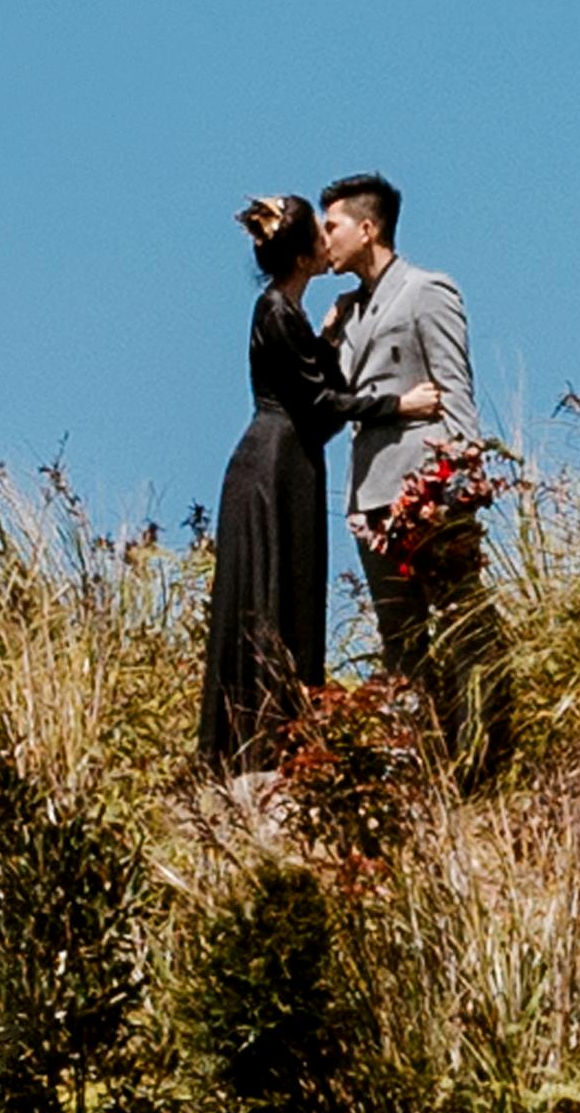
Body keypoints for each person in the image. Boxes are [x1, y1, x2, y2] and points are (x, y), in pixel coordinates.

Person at [199, 194, 433, 769]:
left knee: (287, 589)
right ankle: (259, 745)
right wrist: (398, 405)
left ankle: (279, 740)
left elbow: (318, 397)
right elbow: (323, 403)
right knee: (270, 592)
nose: (332, 241)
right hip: (274, 463)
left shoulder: (290, 312)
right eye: (323, 233)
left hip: (290, 460)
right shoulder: (276, 311)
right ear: (306, 254)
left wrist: (329, 339)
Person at [323, 171, 516, 780]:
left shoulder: (428, 290)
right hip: (370, 496)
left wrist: (463, 478)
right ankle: (419, 767)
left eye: (332, 227)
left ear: (367, 226)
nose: (323, 240)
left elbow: (457, 389)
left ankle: (488, 750)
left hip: (428, 489)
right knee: (399, 637)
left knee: (463, 621)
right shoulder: (347, 313)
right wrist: (329, 335)